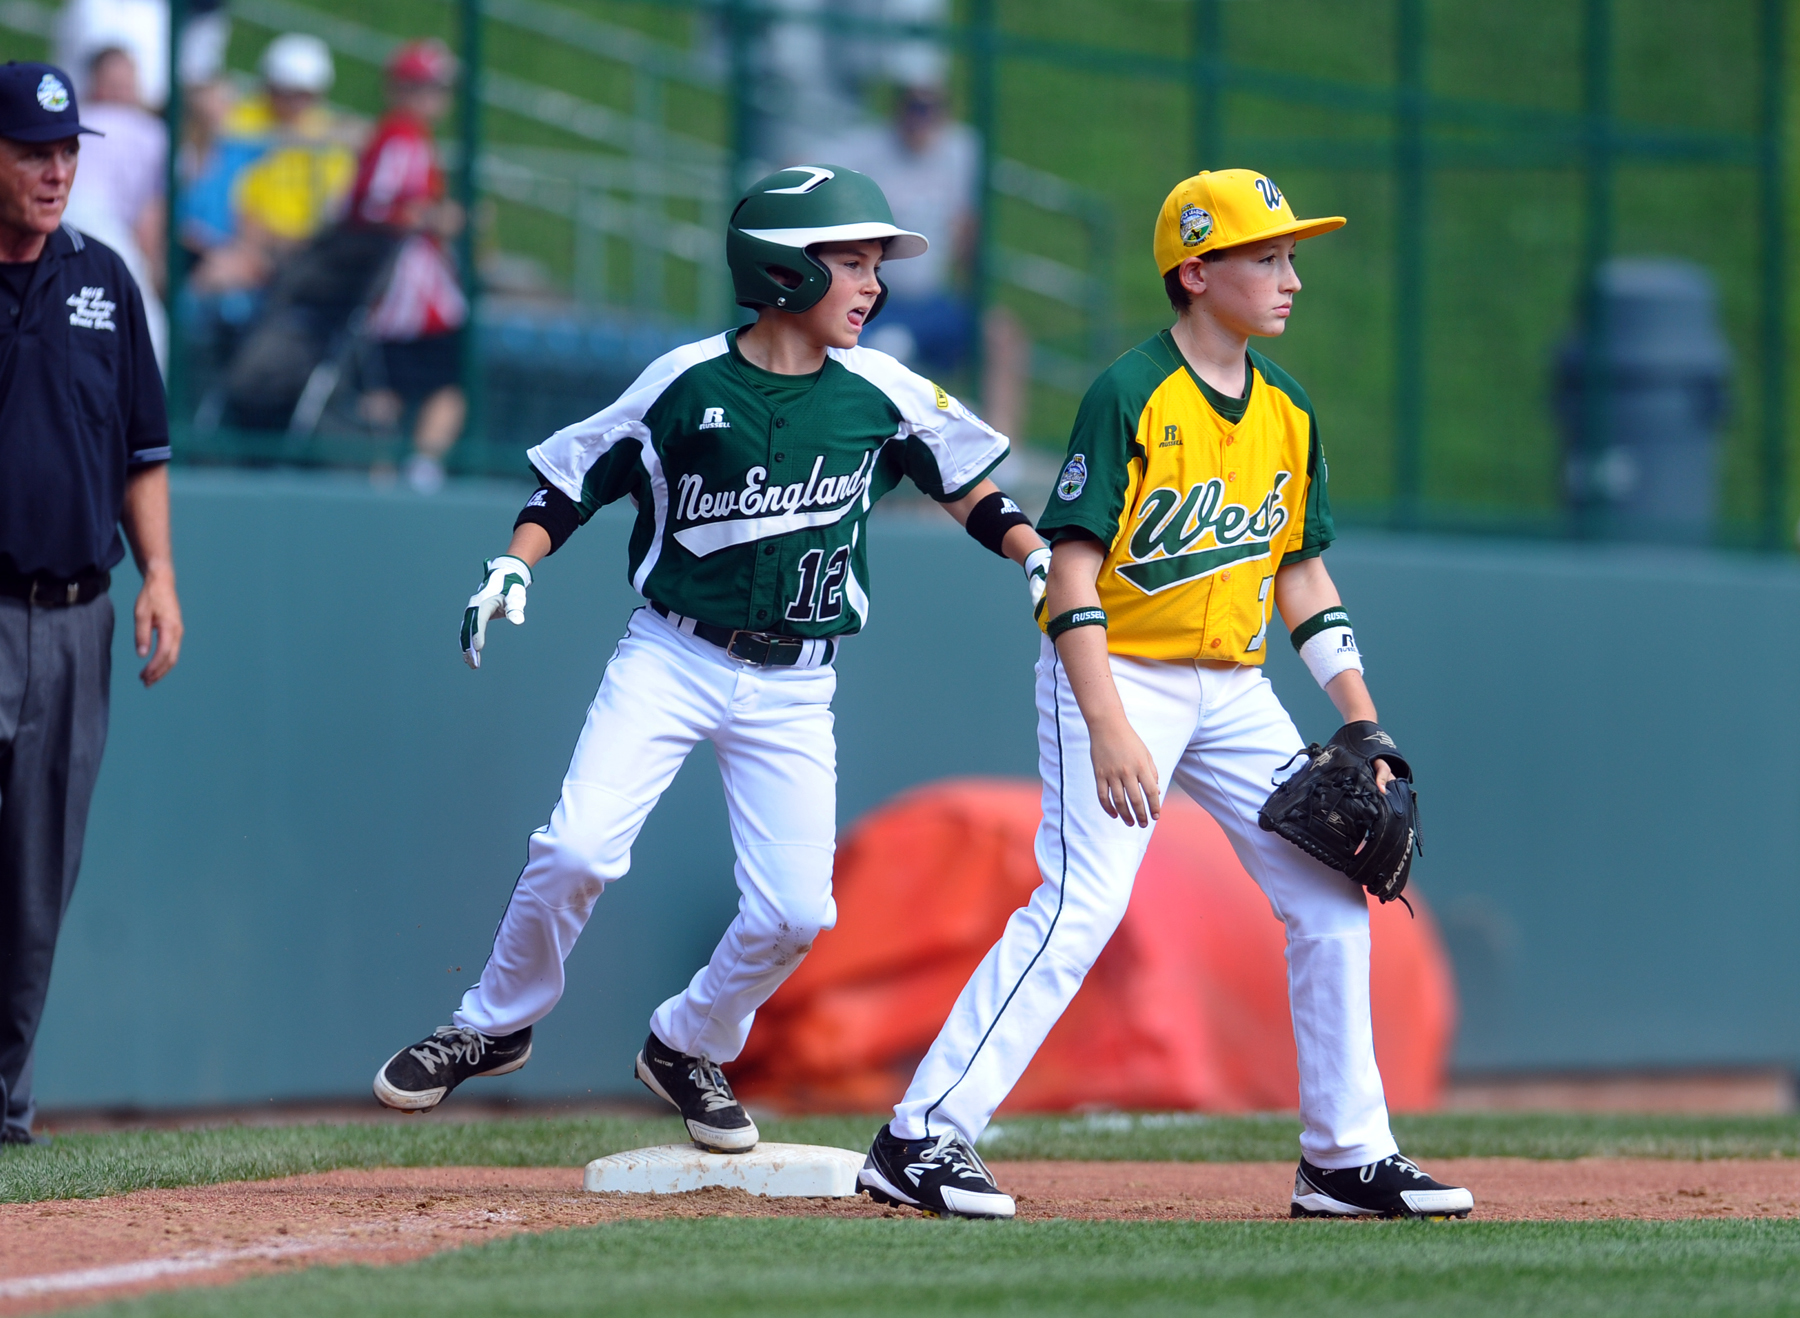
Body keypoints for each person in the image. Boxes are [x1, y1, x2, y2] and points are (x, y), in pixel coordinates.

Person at [372, 165, 1053, 1154]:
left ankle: (687, 1043)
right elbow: (571, 480)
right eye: (851, 262)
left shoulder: (880, 388)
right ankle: (490, 1023)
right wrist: (514, 567)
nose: (874, 285)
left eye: (876, 265)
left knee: (795, 912)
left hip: (796, 683)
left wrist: (1033, 556)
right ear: (782, 269)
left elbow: (969, 486)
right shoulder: (687, 381)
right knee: (576, 850)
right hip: (672, 656)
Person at [855, 170, 1475, 1222]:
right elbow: (1069, 573)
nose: (1289, 279)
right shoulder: (1132, 392)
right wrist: (1104, 722)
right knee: (1081, 906)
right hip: (1119, 672)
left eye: (1290, 257)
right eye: (1266, 257)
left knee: (1329, 903)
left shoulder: (1287, 410)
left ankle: (1343, 1157)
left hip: (1234, 691)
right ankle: (919, 1137)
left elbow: (1302, 577)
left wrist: (1361, 715)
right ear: (1197, 270)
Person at [0, 61, 181, 1146]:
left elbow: (142, 453)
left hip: (77, 616)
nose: (54, 170)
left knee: (34, 885)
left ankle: (5, 1109)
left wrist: (158, 572)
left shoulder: (104, 281)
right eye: (31, 150)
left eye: (66, 152)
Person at [346, 39, 468, 494]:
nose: (433, 98)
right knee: (410, 381)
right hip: (402, 284)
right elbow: (376, 206)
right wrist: (436, 217)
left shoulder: (410, 135)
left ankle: (408, 468)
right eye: (422, 88)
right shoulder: (401, 136)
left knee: (410, 383)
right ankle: (404, 470)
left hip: (408, 280)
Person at [188, 34, 355, 302]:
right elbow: (228, 197)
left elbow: (333, 209)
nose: (296, 103)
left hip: (296, 250)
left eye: (306, 95)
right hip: (239, 242)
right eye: (287, 92)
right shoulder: (241, 121)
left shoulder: (327, 138)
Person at [61, 45, 166, 368]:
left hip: (55, 221)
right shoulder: (152, 132)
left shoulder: (67, 120)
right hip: (103, 230)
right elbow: (149, 218)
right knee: (148, 327)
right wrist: (154, 274)